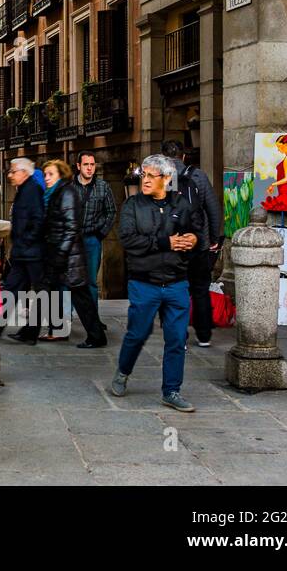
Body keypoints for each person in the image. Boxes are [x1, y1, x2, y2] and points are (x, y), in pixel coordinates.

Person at [111, 154, 205, 413]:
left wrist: (194, 240)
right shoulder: (132, 206)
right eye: (144, 175)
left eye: (152, 176)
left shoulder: (182, 205)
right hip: (144, 283)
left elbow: (197, 231)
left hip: (176, 283)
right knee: (137, 334)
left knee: (176, 339)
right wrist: (167, 242)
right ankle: (123, 372)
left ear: (167, 179)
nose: (146, 180)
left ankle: (171, 391)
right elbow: (128, 240)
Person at [163, 139, 224, 348]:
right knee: (200, 288)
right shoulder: (198, 176)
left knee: (175, 290)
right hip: (199, 243)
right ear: (183, 156)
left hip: (174, 245)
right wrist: (214, 239)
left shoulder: (160, 177)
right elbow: (213, 209)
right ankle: (204, 335)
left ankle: (180, 336)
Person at [43, 159, 106, 348]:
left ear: (61, 175)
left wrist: (61, 254)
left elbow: (71, 227)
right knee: (55, 291)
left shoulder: (66, 193)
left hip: (69, 256)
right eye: (45, 174)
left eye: (51, 174)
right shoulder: (55, 193)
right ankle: (58, 329)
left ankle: (96, 336)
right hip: (61, 253)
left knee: (81, 297)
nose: (46, 178)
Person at [1, 157, 47, 345]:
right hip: (23, 252)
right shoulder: (24, 190)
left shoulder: (32, 190)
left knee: (41, 291)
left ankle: (30, 332)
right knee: (12, 287)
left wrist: (26, 241)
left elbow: (38, 220)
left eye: (13, 171)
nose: (10, 175)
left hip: (32, 252)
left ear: (24, 172)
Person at [74, 150, 117, 310]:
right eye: (86, 164)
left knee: (91, 280)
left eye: (92, 164)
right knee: (69, 278)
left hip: (92, 239)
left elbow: (111, 212)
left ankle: (93, 319)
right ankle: (66, 317)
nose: (90, 168)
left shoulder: (103, 187)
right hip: (73, 240)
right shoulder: (69, 186)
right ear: (79, 166)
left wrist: (101, 233)